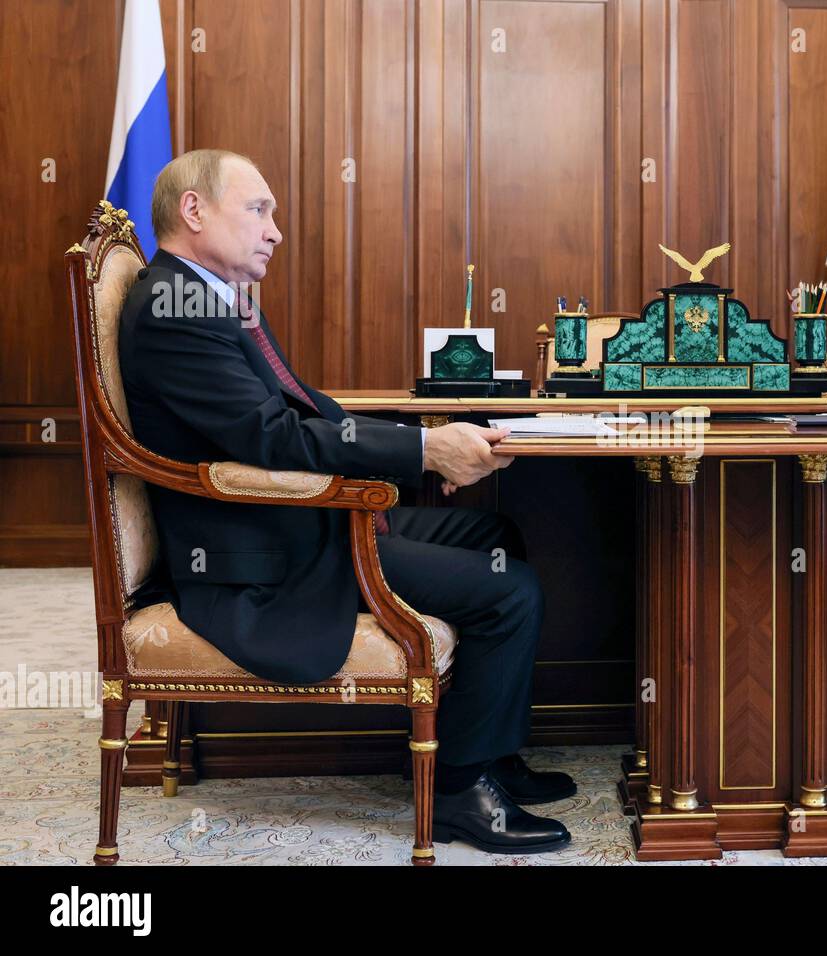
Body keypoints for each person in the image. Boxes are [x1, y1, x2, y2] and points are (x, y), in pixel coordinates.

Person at [119, 148, 572, 854]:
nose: (275, 231)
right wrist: (424, 452)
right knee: (509, 590)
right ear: (194, 210)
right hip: (265, 552)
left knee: (494, 533)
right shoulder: (174, 309)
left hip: (299, 518)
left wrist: (427, 445)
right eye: (258, 210)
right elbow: (271, 439)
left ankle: (490, 753)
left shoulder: (208, 295)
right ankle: (457, 792)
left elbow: (306, 408)